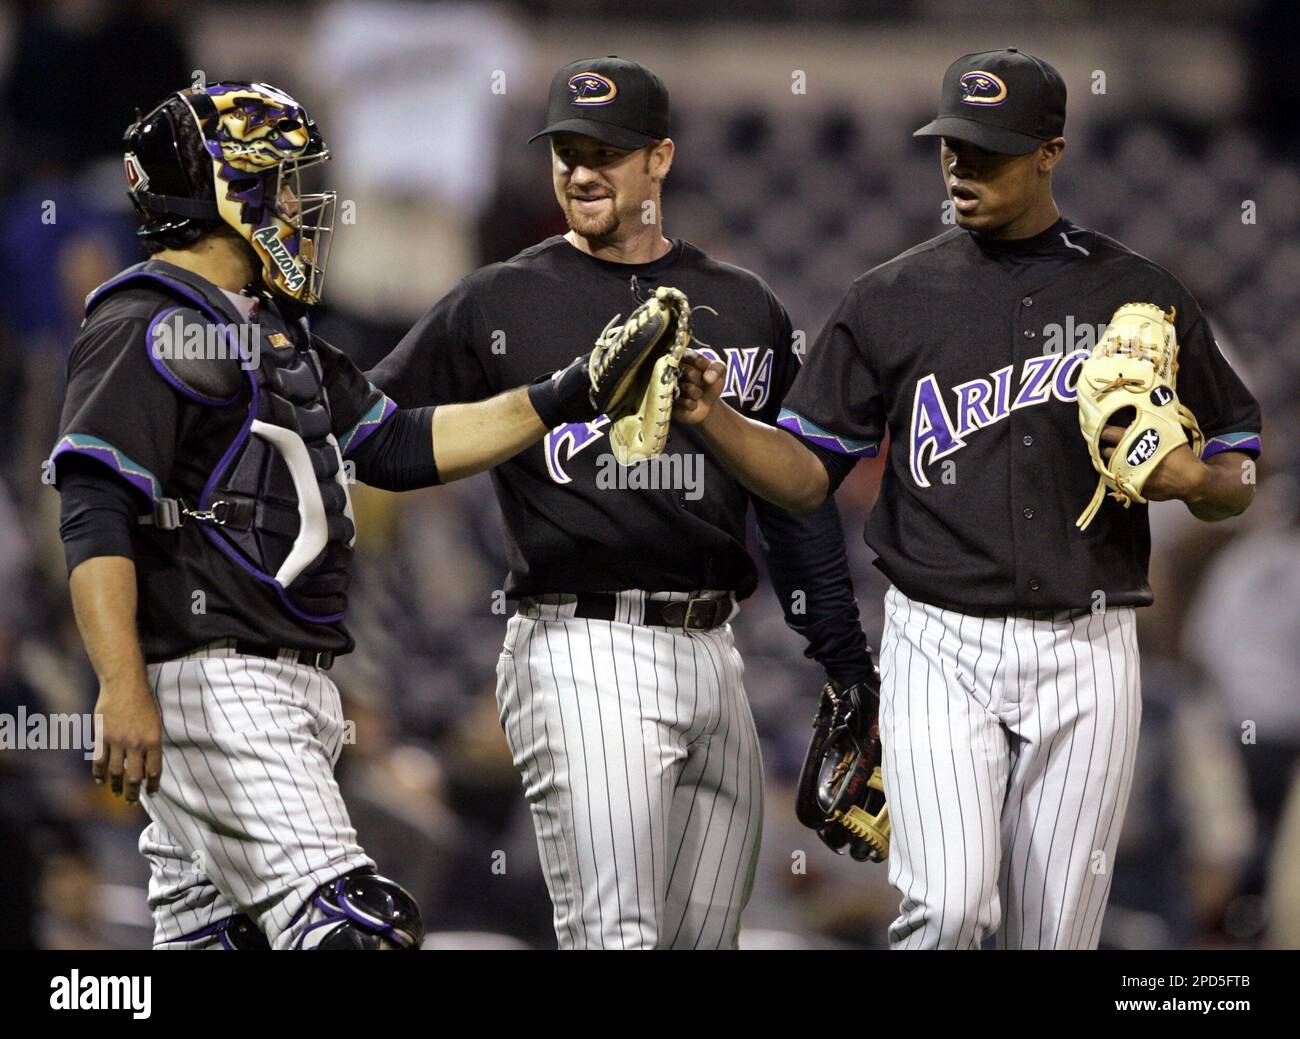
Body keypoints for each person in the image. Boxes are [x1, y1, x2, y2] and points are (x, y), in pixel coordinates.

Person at [672, 48, 1263, 949]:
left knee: (1053, 932)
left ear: (1050, 151)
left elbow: (1240, 468)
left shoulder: (1137, 295)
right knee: (946, 909)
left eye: (988, 152)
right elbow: (803, 474)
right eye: (952, 148)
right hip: (940, 640)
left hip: (1090, 642)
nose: (962, 169)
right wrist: (714, 417)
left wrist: (1197, 481)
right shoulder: (889, 299)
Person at [48, 81, 644, 950]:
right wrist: (120, 684)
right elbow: (94, 506)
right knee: (354, 932)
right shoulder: (147, 321)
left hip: (287, 685)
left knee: (224, 942)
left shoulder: (274, 333)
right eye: (280, 183)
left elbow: (397, 445)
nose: (298, 204)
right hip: (219, 684)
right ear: (222, 190)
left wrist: (570, 392)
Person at [368, 55, 875, 950]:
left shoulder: (743, 306)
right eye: (566, 149)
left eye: (606, 150)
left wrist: (843, 664)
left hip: (715, 653)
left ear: (661, 158)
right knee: (619, 937)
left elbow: (795, 502)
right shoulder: (502, 299)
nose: (580, 171)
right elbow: (376, 435)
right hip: (581, 644)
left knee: (702, 942)